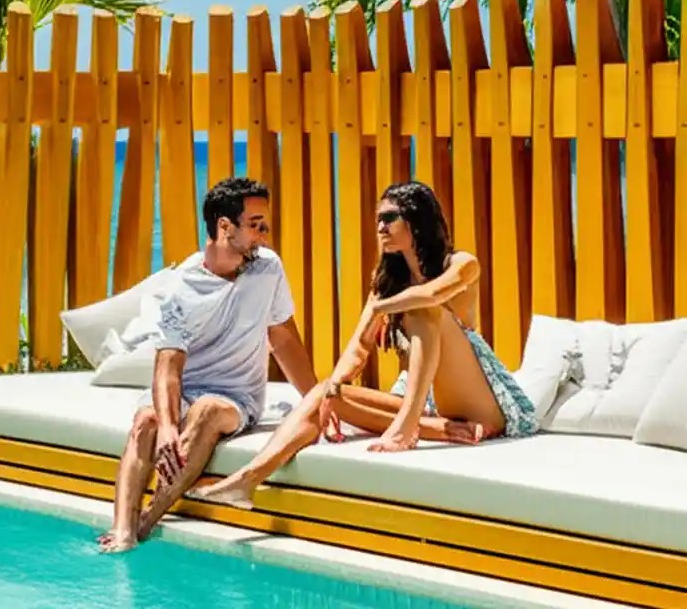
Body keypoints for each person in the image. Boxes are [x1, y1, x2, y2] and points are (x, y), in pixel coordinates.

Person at [190, 180, 540, 508]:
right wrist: (334, 391)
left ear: (416, 220)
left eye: (390, 218)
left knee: (423, 310)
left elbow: (433, 293)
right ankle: (246, 480)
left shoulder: (461, 264)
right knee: (322, 393)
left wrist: (383, 307)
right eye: (378, 220)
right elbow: (357, 350)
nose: (381, 228)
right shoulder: (388, 285)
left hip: (485, 406)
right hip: (434, 407)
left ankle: (406, 430)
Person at [97, 177, 318, 553]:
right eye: (255, 225)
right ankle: (121, 529)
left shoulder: (268, 269)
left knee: (207, 410)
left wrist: (315, 400)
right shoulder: (180, 287)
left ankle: (147, 519)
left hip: (236, 397)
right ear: (224, 226)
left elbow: (283, 339)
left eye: (265, 225)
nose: (263, 236)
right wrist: (167, 426)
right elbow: (168, 367)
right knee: (145, 423)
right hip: (184, 390)